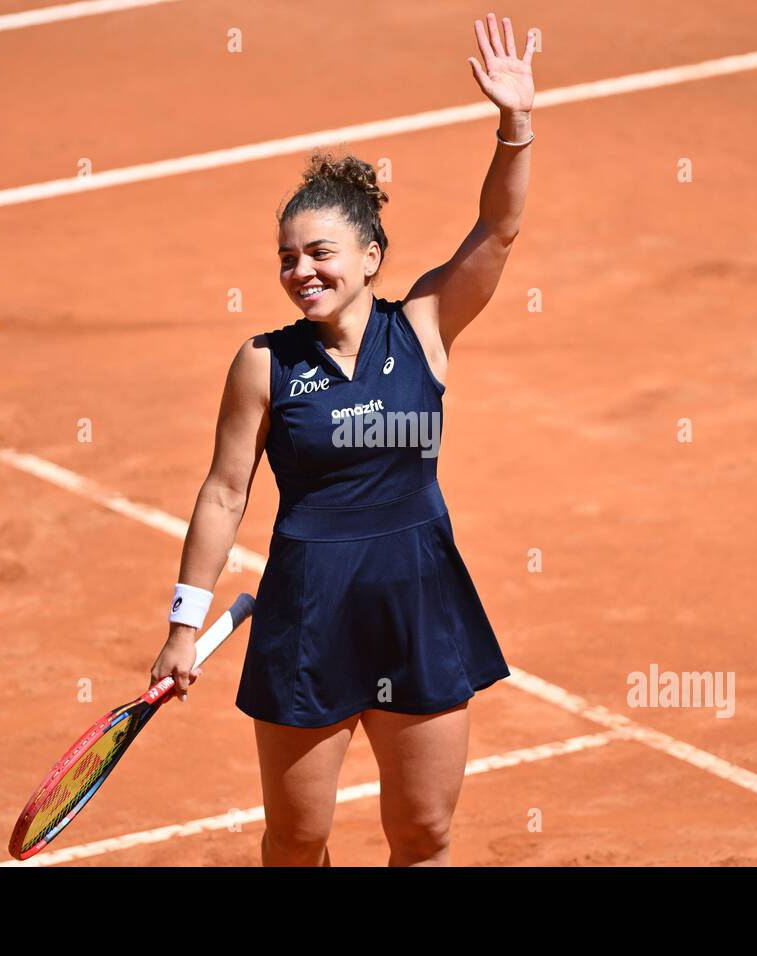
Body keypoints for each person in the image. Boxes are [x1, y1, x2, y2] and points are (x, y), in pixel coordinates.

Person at [151, 12, 535, 866]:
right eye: (286, 259)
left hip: (417, 599)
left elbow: (497, 232)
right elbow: (223, 493)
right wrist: (185, 623)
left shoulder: (427, 325)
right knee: (297, 840)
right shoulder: (262, 363)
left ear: (370, 255)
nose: (300, 273)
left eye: (319, 252)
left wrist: (515, 129)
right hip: (307, 611)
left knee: (426, 832)